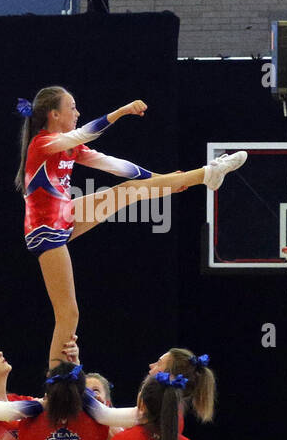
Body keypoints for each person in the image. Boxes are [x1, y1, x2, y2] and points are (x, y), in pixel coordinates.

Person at [16, 87, 247, 371]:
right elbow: (85, 132)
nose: (77, 113)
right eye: (72, 107)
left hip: (64, 216)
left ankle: (205, 174)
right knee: (68, 314)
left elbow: (119, 167)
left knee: (128, 190)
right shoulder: (44, 144)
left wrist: (164, 180)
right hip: (44, 231)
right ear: (54, 114)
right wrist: (121, 112)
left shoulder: (70, 146)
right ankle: (57, 388)